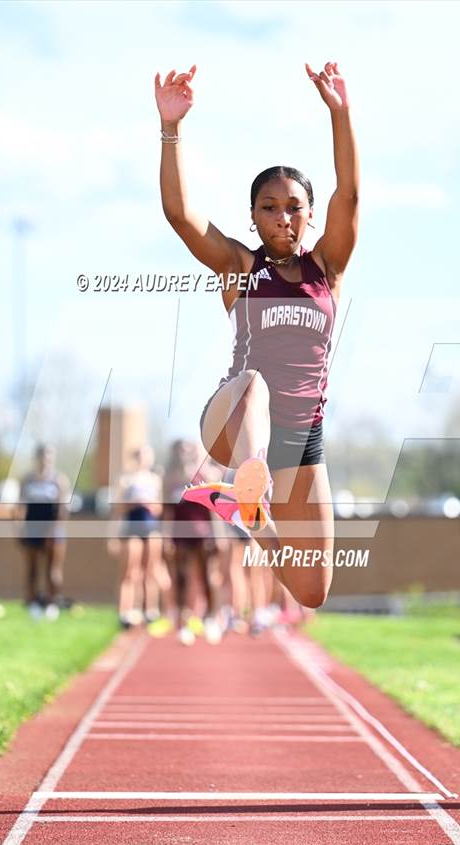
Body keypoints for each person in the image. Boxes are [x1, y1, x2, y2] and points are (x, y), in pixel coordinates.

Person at [155, 60, 359, 610]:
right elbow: (181, 216)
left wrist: (340, 114)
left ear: (310, 216)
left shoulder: (327, 270)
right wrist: (171, 128)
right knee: (255, 383)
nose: (282, 218)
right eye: (269, 209)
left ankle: (247, 513)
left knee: (312, 589)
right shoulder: (241, 268)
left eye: (294, 208)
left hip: (301, 437)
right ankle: (249, 478)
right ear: (253, 217)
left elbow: (350, 195)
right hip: (233, 420)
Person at [164, 440, 223, 646]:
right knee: (181, 577)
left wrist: (218, 535)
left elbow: (214, 509)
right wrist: (165, 537)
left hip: (202, 533)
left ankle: (211, 618)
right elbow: (167, 511)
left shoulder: (203, 476)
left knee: (207, 575)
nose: (185, 454)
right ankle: (184, 621)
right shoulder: (170, 478)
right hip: (179, 534)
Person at [108, 446, 171, 629]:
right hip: (131, 529)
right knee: (130, 572)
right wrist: (112, 536)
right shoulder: (125, 479)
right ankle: (125, 611)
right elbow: (117, 509)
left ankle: (150, 610)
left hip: (151, 529)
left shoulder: (155, 480)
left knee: (150, 571)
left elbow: (161, 508)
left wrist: (150, 505)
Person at [17, 444, 70, 619]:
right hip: (32, 527)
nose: (45, 460)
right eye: (42, 456)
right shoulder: (27, 480)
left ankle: (52, 602)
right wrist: (20, 529)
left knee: (53, 570)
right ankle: (32, 602)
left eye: (49, 456)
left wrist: (53, 530)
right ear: (37, 458)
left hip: (52, 529)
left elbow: (62, 509)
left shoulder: (59, 480)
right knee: (31, 568)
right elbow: (21, 507)